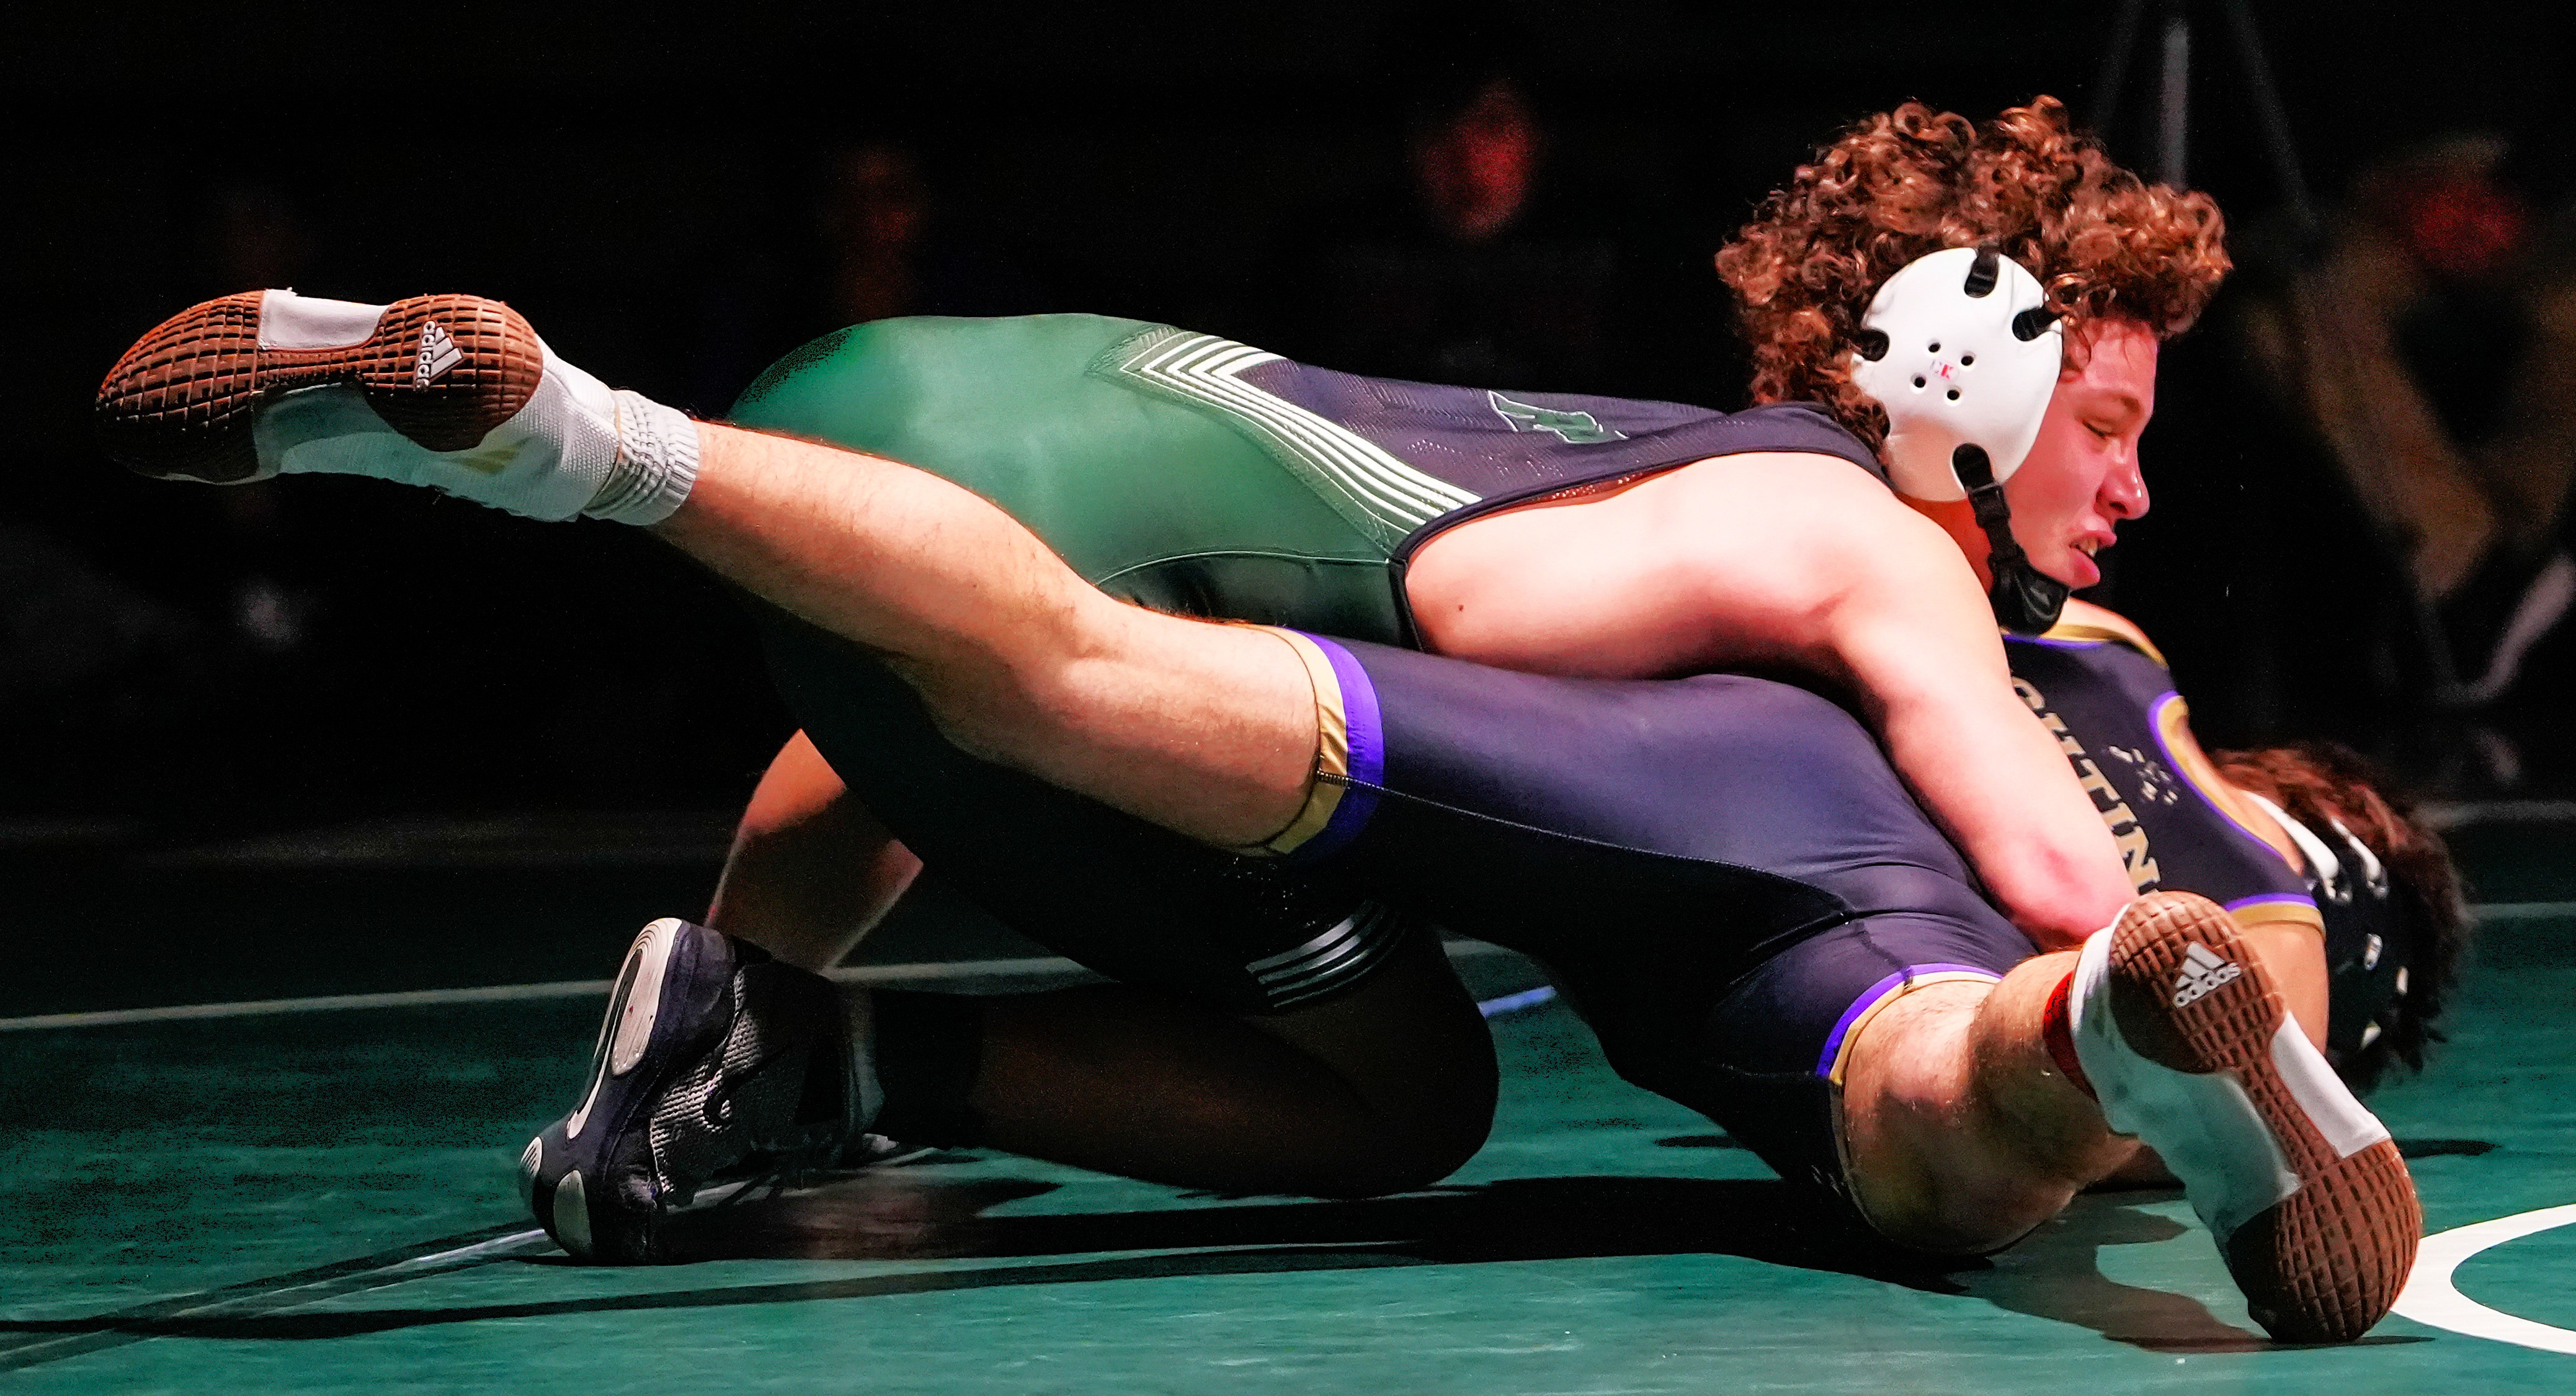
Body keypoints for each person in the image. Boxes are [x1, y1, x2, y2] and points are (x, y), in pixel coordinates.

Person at [97, 99, 2227, 963]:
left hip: (957, 398)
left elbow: (878, 733)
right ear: (1965, 370)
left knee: (1011, 676)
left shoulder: (1674, 447)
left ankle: (736, 1002)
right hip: (1030, 543)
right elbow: (2068, 889)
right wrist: (2256, 980)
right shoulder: (1872, 545)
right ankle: (572, 432)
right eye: (2112, 425)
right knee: (1375, 1062)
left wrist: (751, 965)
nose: (2132, 491)